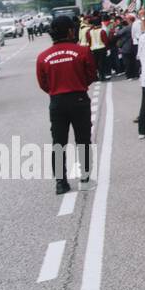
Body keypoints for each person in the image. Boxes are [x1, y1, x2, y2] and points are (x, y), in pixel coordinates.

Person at [36, 16, 97, 195]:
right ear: (71, 31)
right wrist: (78, 83)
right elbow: (91, 75)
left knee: (58, 143)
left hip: (57, 102)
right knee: (83, 140)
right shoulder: (83, 51)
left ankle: (61, 183)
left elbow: (43, 84)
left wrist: (57, 90)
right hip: (79, 99)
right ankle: (85, 178)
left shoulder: (43, 57)